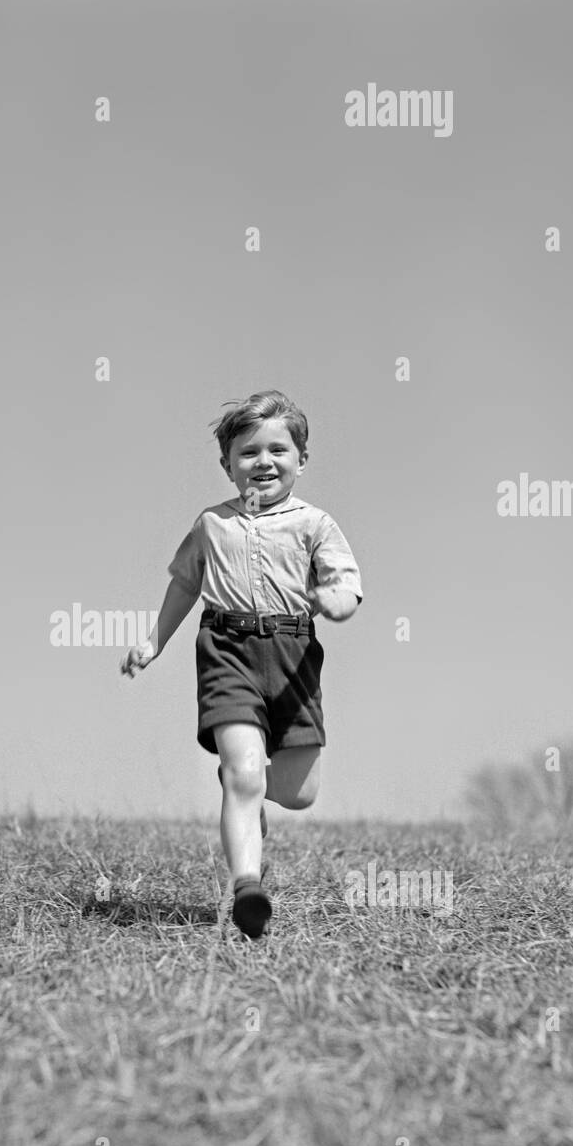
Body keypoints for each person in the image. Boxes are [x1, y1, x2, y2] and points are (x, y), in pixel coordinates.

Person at [120, 389, 363, 939]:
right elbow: (185, 584)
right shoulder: (212, 524)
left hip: (293, 655)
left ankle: (241, 782)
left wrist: (335, 603)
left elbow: (346, 585)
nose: (264, 462)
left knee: (299, 793)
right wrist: (153, 643)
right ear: (227, 464)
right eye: (249, 452)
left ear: (302, 459)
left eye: (278, 450)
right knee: (247, 775)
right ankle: (247, 886)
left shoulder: (316, 524)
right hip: (226, 648)